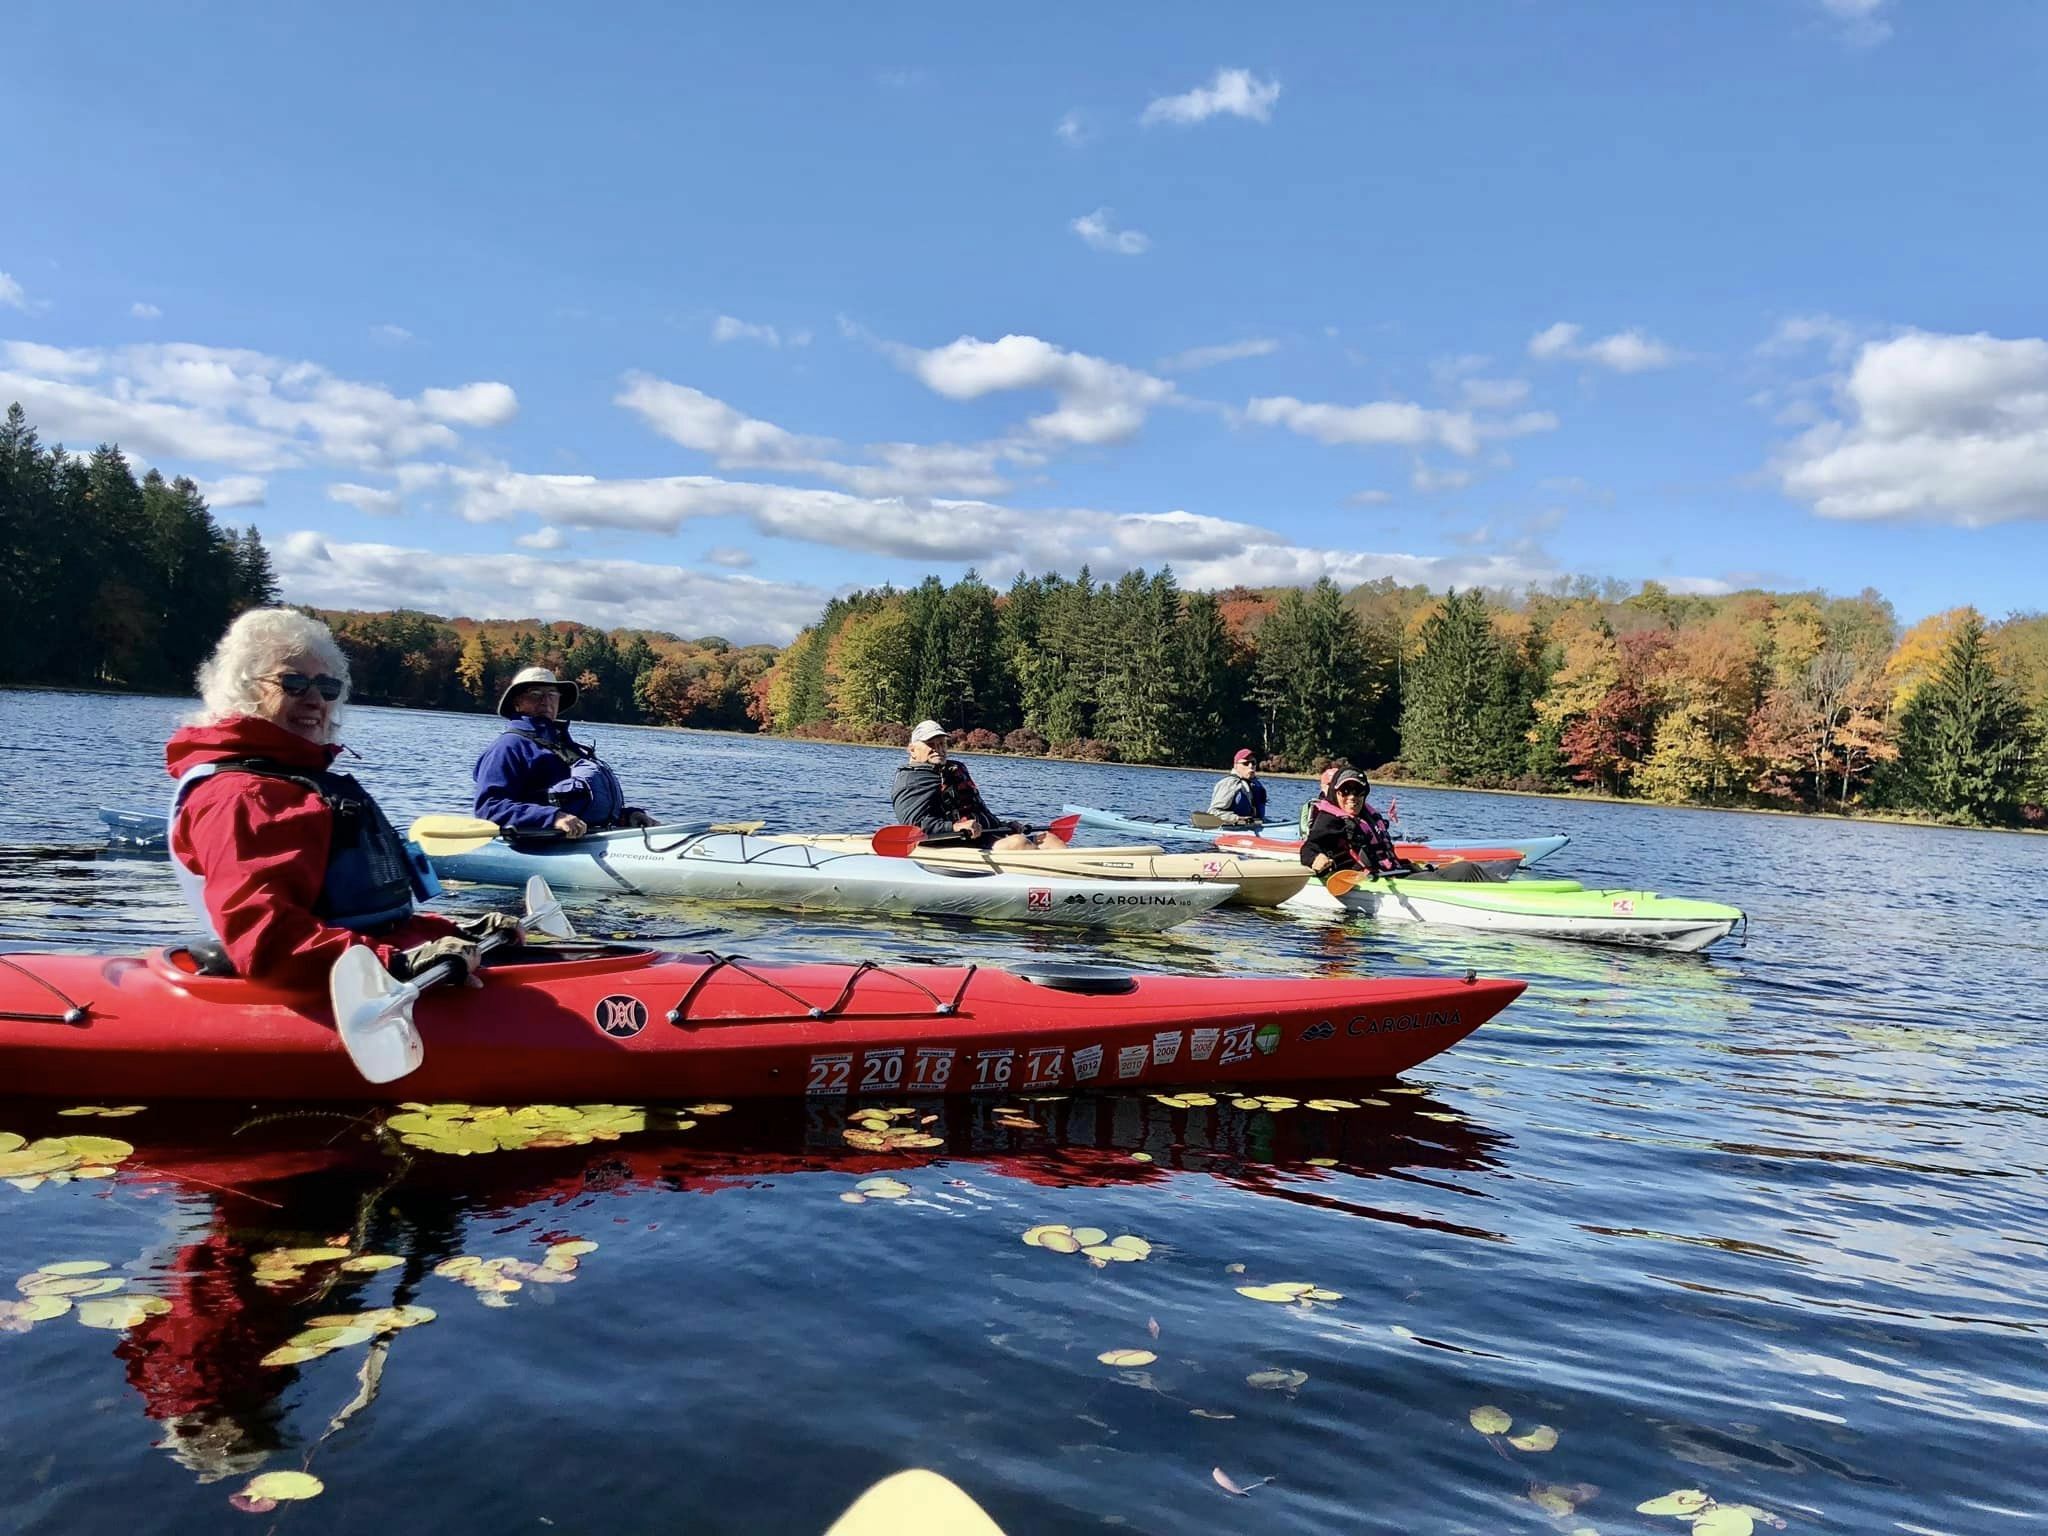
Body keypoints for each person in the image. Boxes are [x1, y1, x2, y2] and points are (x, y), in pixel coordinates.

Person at [166, 609, 510, 987]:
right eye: (294, 683)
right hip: (323, 987)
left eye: (327, 687)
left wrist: (452, 932)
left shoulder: (293, 781)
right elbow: (268, 942)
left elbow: (363, 919)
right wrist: (397, 964)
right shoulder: (244, 796)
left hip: (357, 967)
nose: (316, 699)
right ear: (245, 688)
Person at [472, 666, 653, 839]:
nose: (545, 701)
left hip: (588, 840)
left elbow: (579, 800)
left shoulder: (566, 746)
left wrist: (626, 816)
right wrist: (553, 818)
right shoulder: (507, 748)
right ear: (517, 703)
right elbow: (489, 807)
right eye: (535, 694)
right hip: (537, 846)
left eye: (552, 694)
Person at [891, 721, 1065, 851]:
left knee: (1049, 839)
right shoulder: (911, 779)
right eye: (931, 744)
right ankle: (1057, 882)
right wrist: (954, 827)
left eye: (942, 743)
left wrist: (1003, 825)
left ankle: (1077, 879)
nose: (939, 749)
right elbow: (914, 826)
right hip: (948, 844)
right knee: (1018, 843)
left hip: (978, 839)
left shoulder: (955, 769)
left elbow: (976, 808)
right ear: (912, 750)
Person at [1299, 767, 1413, 880]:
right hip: (1362, 878)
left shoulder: (1367, 815)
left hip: (1390, 873)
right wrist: (1315, 858)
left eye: (1358, 791)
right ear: (1336, 792)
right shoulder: (1329, 819)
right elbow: (1309, 848)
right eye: (1345, 791)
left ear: (1365, 793)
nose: (1352, 797)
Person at [1207, 748, 1269, 826]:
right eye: (1246, 763)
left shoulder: (1255, 784)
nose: (1251, 766)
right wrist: (1236, 819)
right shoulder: (1229, 784)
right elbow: (1213, 812)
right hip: (1232, 828)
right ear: (1236, 766)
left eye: (1253, 763)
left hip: (1255, 826)